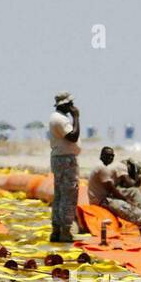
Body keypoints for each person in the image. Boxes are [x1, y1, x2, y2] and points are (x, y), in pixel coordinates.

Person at [48, 91, 81, 242]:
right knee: (69, 195)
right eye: (70, 104)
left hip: (59, 159)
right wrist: (76, 117)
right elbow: (73, 136)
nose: (73, 106)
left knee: (60, 195)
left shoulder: (56, 118)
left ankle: (56, 230)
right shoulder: (61, 120)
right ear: (65, 105)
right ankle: (65, 232)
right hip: (66, 160)